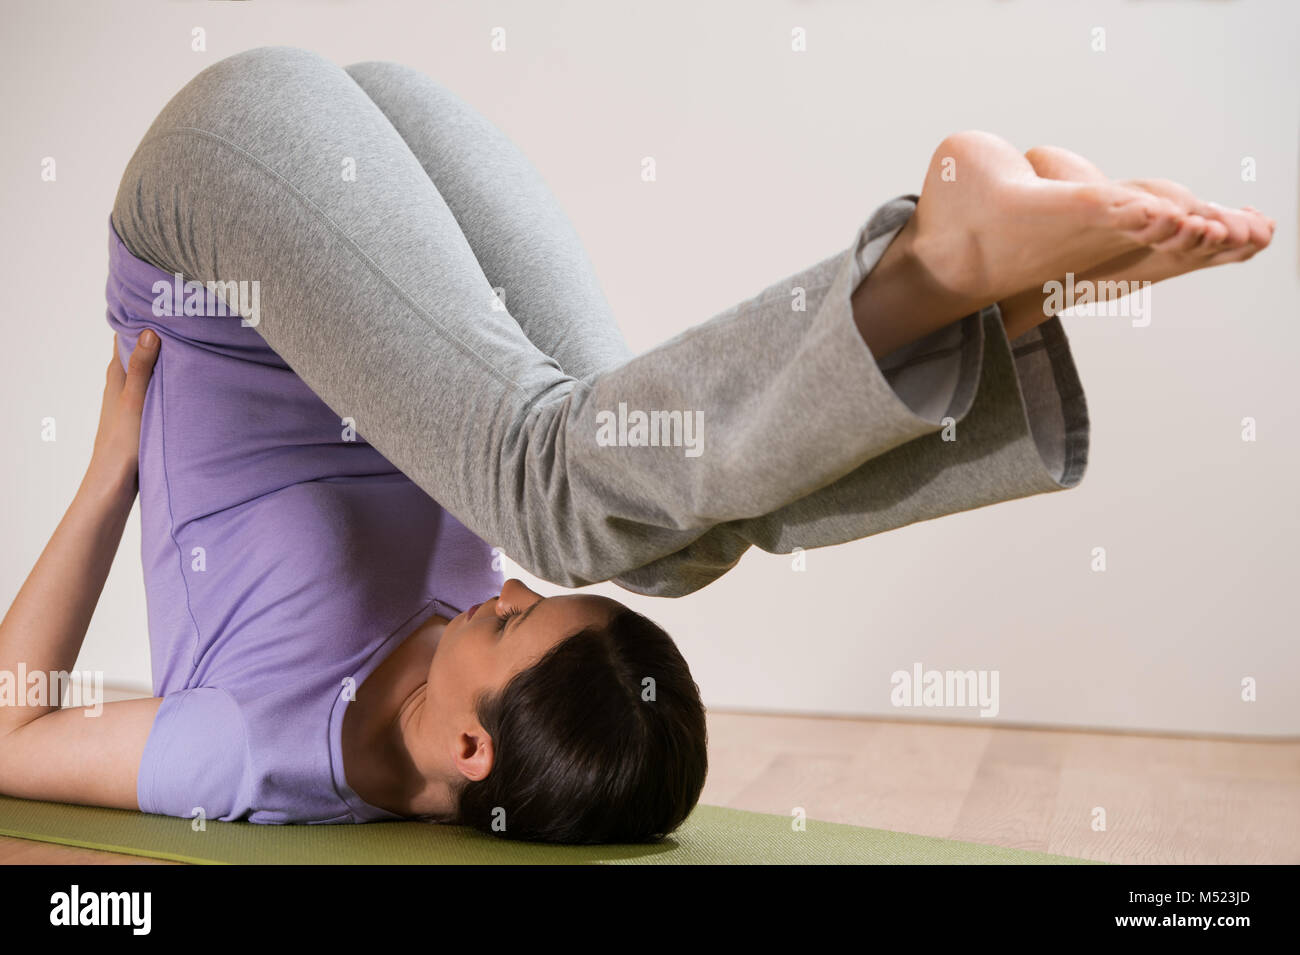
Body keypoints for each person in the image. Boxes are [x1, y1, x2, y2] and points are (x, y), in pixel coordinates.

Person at [0, 47, 1273, 844]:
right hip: (379, 174)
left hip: (222, 199)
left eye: (507, 622)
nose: (497, 589)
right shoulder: (475, 678)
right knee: (653, 548)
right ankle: (994, 307)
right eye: (527, 603)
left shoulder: (247, 754)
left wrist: (109, 474)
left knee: (558, 498)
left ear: (467, 751)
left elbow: (8, 741)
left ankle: (939, 271)